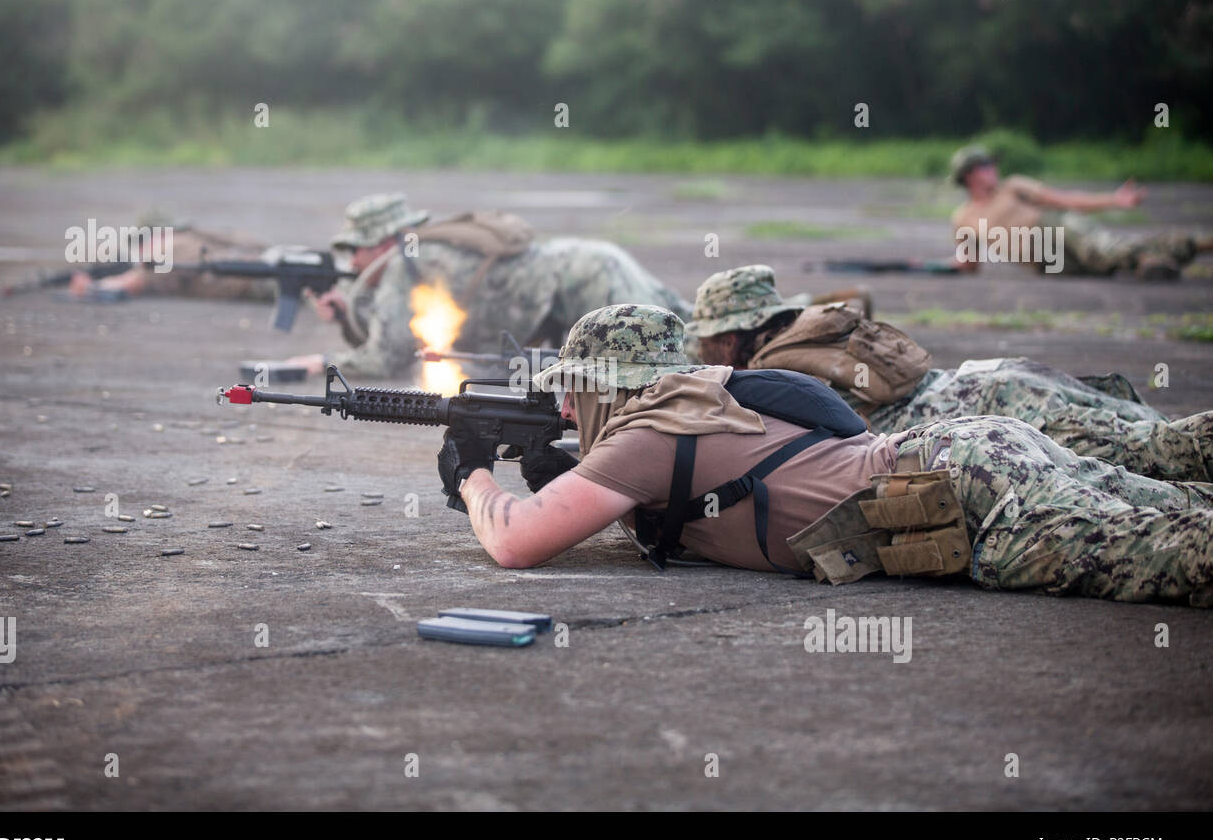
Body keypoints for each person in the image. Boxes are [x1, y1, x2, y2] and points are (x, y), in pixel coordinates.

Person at [437, 304, 1213, 607]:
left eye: (575, 389)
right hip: (966, 450)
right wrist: (568, 469)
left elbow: (516, 541)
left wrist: (473, 473)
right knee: (1184, 506)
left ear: (612, 383)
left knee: (1180, 556)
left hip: (954, 495)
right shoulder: (698, 393)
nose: (566, 406)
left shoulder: (645, 436)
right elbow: (694, 490)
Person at [686, 265, 1212, 483]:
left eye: (708, 338)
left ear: (731, 336)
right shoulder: (808, 324)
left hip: (1005, 416)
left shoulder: (772, 368)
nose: (704, 348)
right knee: (1158, 435)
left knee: (1163, 451)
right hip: (1003, 380)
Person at [286, 193, 693, 377]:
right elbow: (401, 338)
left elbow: (387, 359)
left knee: (676, 360)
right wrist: (345, 315)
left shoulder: (402, 264)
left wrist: (318, 363)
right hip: (588, 262)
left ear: (384, 241)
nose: (353, 260)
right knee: (693, 328)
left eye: (356, 247)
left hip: (581, 279)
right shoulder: (426, 250)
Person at [949, 144, 1212, 278]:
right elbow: (970, 264)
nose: (993, 169)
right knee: (1105, 265)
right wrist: (944, 266)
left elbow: (1065, 200)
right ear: (969, 175)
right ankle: (1160, 257)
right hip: (1043, 261)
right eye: (985, 165)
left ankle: (1184, 248)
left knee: (1105, 251)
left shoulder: (1012, 186)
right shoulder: (962, 218)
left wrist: (1113, 200)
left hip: (1054, 227)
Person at [68, 214, 276, 300]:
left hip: (261, 281)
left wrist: (88, 286)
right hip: (270, 264)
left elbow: (131, 284)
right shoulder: (193, 235)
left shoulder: (168, 247)